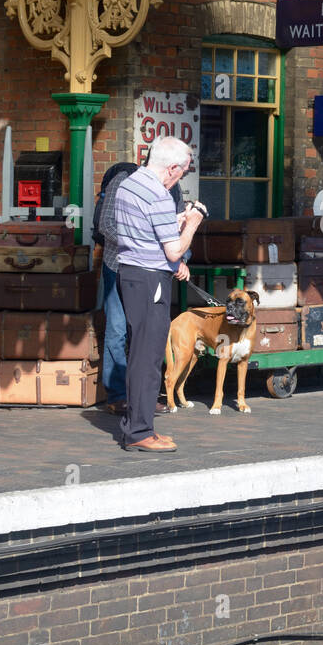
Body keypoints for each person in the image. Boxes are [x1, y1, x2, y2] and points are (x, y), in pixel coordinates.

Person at [113, 137, 203, 452]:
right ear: (172, 168)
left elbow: (144, 229)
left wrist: (172, 222)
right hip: (152, 280)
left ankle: (138, 426)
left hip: (130, 273)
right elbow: (174, 248)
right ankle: (140, 432)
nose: (181, 177)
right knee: (149, 357)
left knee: (138, 352)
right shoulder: (159, 196)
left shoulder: (129, 183)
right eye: (183, 171)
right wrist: (191, 224)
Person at [95, 161, 138, 414]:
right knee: (117, 330)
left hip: (149, 271)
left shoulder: (169, 187)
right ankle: (117, 395)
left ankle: (143, 394)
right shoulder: (123, 179)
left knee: (144, 334)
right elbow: (106, 225)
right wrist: (138, 243)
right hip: (118, 265)